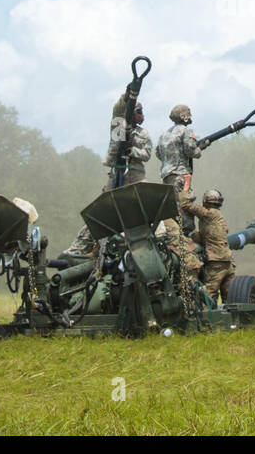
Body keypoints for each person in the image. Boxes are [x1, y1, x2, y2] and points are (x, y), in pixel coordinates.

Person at [65, 94, 151, 256]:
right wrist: (128, 95)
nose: (142, 116)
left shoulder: (143, 134)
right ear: (131, 112)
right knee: (102, 211)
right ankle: (79, 246)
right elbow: (118, 109)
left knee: (149, 208)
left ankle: (157, 241)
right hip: (117, 175)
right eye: (139, 112)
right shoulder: (118, 126)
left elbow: (147, 154)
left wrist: (132, 151)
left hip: (136, 178)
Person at [156, 104, 201, 233]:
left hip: (166, 178)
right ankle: (187, 240)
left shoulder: (164, 134)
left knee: (172, 209)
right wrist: (199, 149)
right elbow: (190, 151)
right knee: (184, 208)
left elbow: (158, 153)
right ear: (184, 116)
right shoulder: (186, 131)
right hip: (181, 177)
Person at [185, 189, 235, 304]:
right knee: (230, 299)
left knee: (208, 296)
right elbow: (208, 237)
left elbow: (185, 204)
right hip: (228, 262)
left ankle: (209, 321)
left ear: (205, 202)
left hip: (216, 263)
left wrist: (185, 188)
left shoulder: (208, 214)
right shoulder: (219, 218)